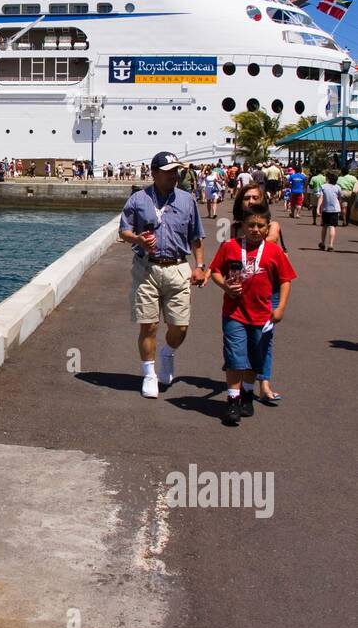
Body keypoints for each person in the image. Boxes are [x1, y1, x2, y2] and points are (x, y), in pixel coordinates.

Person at [119, 151, 208, 399]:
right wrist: (137, 239)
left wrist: (200, 266)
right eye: (169, 172)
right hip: (146, 268)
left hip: (178, 267)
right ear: (155, 173)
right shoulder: (138, 199)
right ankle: (149, 374)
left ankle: (167, 352)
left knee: (180, 326)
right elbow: (124, 230)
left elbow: (196, 236)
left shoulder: (187, 200)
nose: (174, 176)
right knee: (149, 325)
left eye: (176, 171)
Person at [210, 204, 296, 426]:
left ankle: (247, 395)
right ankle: (232, 400)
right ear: (242, 227)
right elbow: (216, 271)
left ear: (268, 228)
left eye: (260, 225)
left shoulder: (274, 251)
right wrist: (225, 287)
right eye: (251, 225)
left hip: (262, 314)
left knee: (253, 359)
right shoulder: (230, 246)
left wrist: (281, 308)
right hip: (234, 312)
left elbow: (286, 280)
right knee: (234, 357)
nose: (255, 229)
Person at [231, 184, 285, 405]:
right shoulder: (235, 227)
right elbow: (232, 256)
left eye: (255, 197)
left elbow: (266, 241)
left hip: (269, 287)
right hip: (244, 289)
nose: (251, 201)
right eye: (246, 198)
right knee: (242, 337)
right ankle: (246, 380)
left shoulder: (272, 226)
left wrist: (252, 230)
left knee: (264, 338)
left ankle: (264, 384)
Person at [318, 171, 342, 252]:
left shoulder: (323, 186)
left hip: (326, 209)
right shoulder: (338, 187)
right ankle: (331, 245)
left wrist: (318, 208)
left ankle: (322, 243)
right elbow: (339, 198)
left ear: (328, 179)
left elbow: (321, 198)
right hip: (335, 209)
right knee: (332, 226)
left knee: (324, 226)